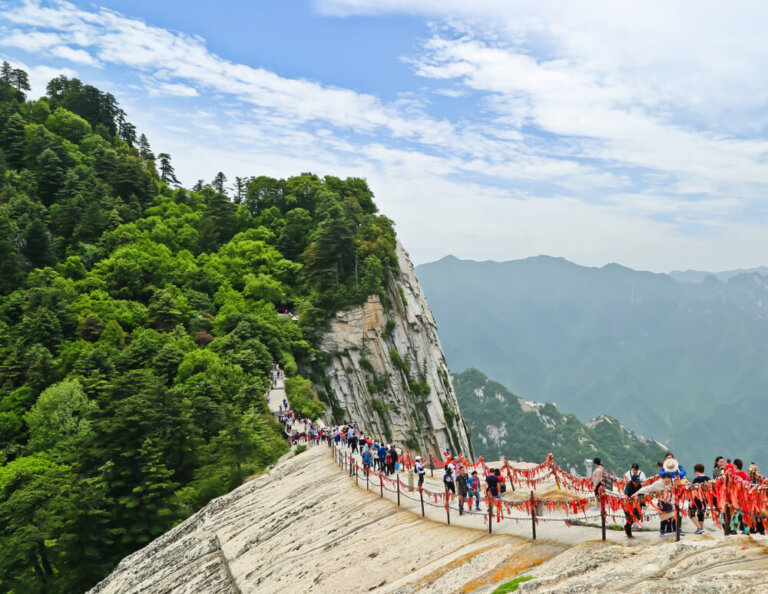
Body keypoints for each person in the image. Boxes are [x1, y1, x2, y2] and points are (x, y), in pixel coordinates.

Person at [689, 463, 710, 535]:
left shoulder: (696, 479)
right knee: (701, 513)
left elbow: (693, 490)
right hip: (705, 499)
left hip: (696, 498)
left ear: (697, 471)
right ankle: (701, 529)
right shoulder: (708, 478)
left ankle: (699, 528)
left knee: (691, 513)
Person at [623, 472, 643, 538]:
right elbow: (626, 492)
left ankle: (626, 527)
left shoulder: (639, 485)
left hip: (637, 504)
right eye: (636, 482)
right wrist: (627, 497)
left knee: (638, 517)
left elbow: (642, 493)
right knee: (630, 518)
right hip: (628, 504)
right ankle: (629, 534)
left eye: (638, 482)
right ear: (632, 481)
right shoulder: (629, 485)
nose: (637, 483)